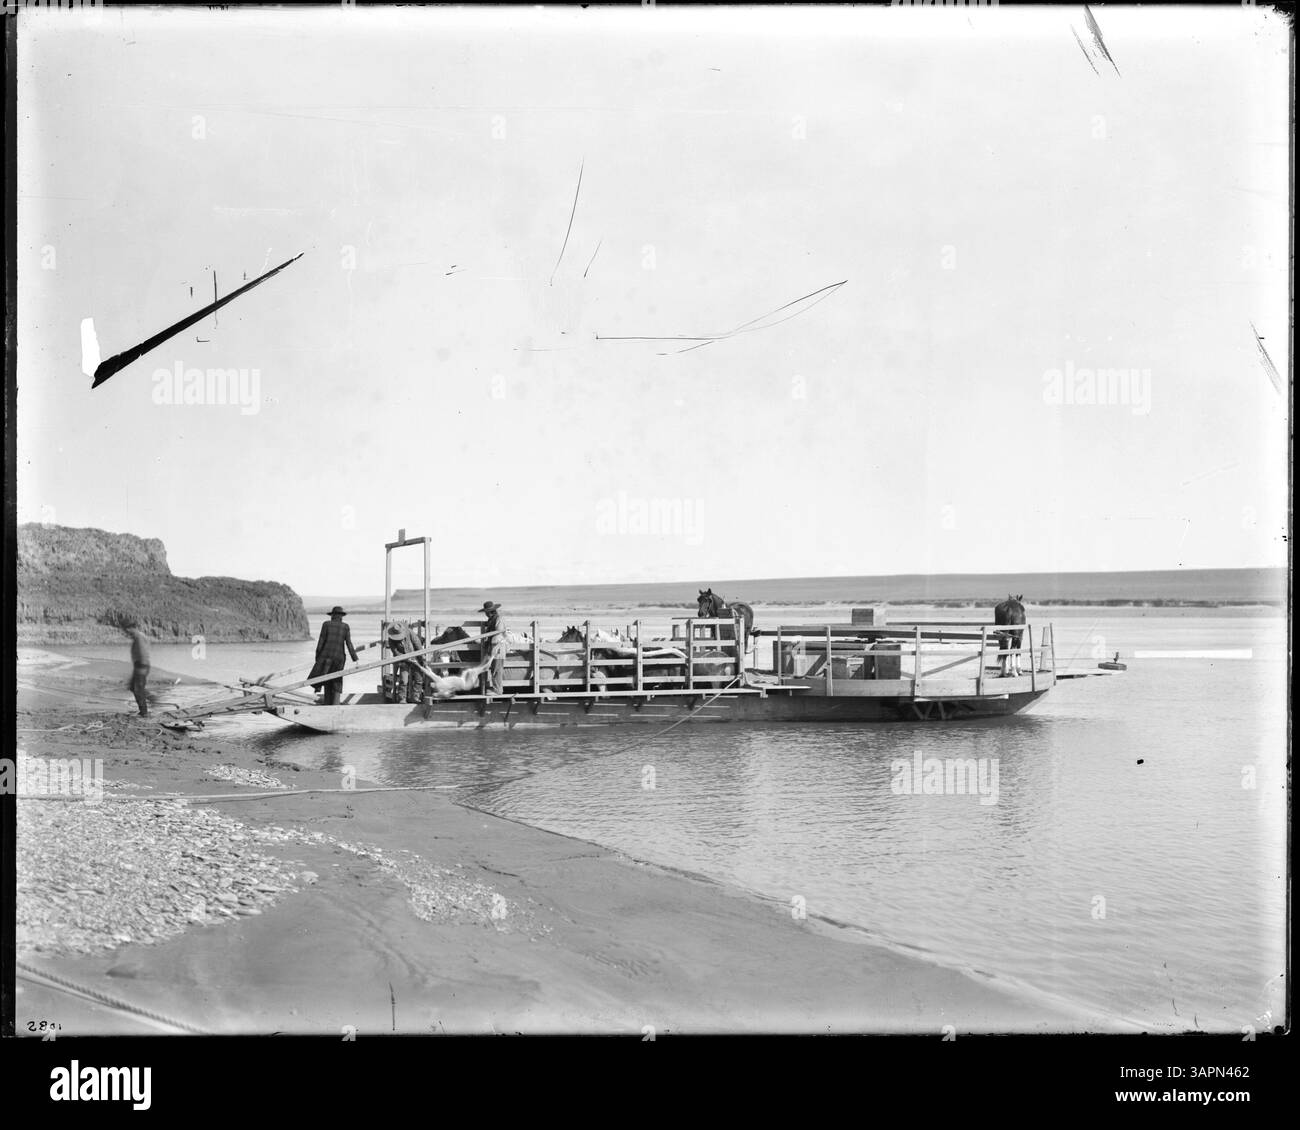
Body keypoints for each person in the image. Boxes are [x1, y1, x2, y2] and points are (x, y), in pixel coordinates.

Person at [314, 606, 359, 705]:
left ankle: (327, 703)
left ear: (332, 615)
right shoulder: (345, 626)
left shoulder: (326, 624)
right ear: (341, 616)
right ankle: (335, 704)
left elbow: (321, 642)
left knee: (326, 678)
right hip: (339, 658)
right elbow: (349, 643)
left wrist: (317, 657)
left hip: (326, 657)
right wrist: (355, 658)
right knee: (337, 680)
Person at [123, 621, 151, 716]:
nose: (127, 633)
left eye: (128, 630)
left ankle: (144, 712)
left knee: (138, 689)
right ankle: (149, 700)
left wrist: (140, 668)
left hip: (141, 666)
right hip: (139, 666)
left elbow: (143, 653)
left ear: (133, 628)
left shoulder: (139, 637)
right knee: (132, 687)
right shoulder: (137, 637)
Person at [479, 600, 504, 695]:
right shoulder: (492, 620)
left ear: (489, 612)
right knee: (494, 668)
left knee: (497, 668)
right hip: (494, 646)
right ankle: (496, 688)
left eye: (486, 612)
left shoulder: (498, 619)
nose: (485, 614)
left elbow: (499, 633)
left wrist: (493, 646)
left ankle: (498, 690)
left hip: (498, 647)